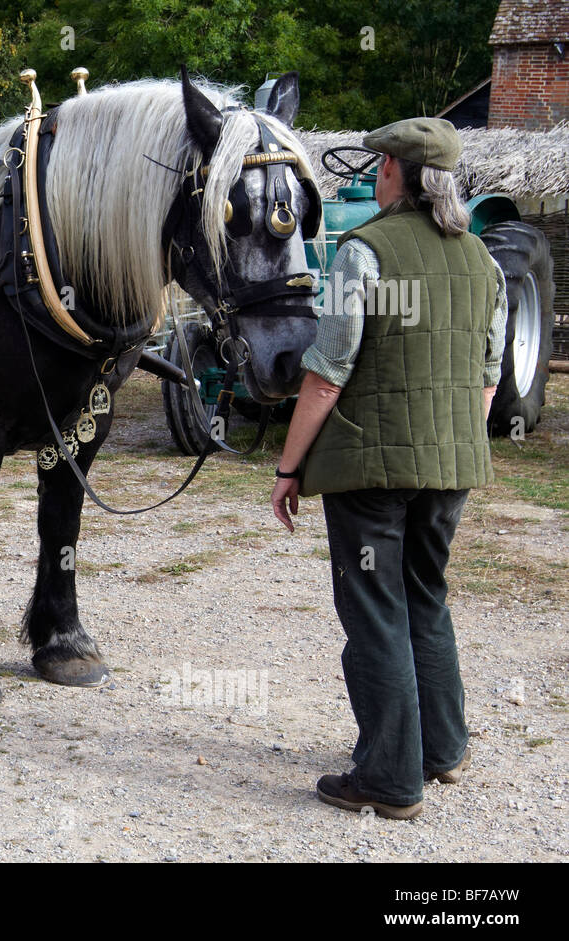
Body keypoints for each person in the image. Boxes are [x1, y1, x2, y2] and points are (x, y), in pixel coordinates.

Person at [269, 117, 507, 820]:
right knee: (425, 595)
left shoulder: (362, 252)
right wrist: (454, 442)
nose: (376, 176)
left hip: (370, 471)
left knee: (376, 610)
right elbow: (487, 379)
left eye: (382, 167)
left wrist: (289, 467)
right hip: (452, 464)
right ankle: (443, 749)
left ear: (397, 175)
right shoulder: (484, 261)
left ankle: (388, 777)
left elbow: (326, 376)